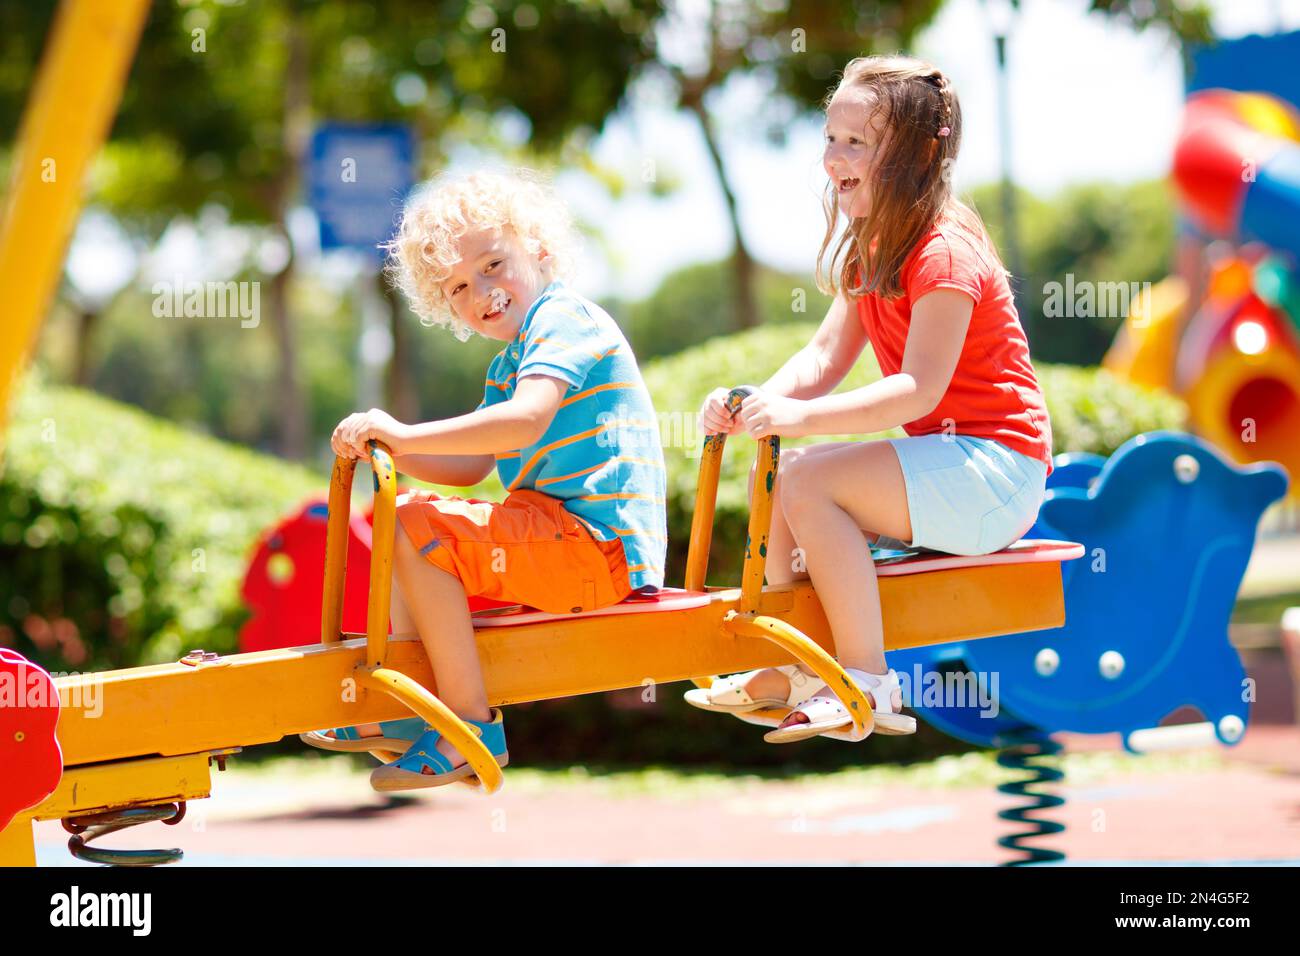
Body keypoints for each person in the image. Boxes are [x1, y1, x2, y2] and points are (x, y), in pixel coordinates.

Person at [685, 55, 1053, 743]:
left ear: (912, 156)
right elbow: (825, 357)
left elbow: (918, 392)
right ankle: (804, 665)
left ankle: (868, 684)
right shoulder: (873, 247)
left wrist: (796, 417)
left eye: (856, 142)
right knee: (794, 480)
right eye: (830, 137)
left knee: (810, 481)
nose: (834, 157)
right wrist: (756, 401)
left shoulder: (944, 252)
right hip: (955, 466)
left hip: (999, 475)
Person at [302, 170, 668, 787]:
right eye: (459, 288)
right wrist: (387, 445)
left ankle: (468, 724)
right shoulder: (511, 360)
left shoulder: (564, 319)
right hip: (564, 539)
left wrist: (405, 435)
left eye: (494, 264)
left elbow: (524, 422)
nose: (482, 292)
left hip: (600, 548)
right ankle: (413, 703)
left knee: (418, 524)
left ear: (541, 250)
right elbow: (472, 466)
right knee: (407, 516)